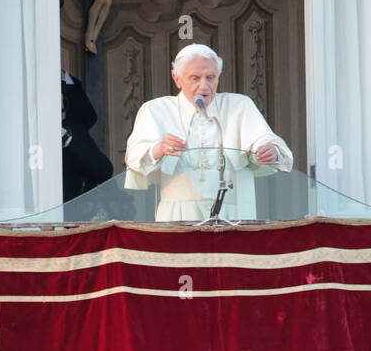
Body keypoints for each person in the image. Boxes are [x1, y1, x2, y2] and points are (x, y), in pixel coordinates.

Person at [124, 43, 293, 221]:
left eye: (210, 78)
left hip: (233, 214)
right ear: (177, 79)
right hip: (178, 214)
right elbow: (134, 156)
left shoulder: (239, 106)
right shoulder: (156, 110)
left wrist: (271, 151)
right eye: (195, 78)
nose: (204, 87)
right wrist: (157, 150)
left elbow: (265, 141)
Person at [61, 70, 113, 202]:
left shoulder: (72, 133)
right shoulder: (20, 135)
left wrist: (67, 138)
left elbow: (104, 171)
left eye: (61, 110)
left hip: (67, 216)